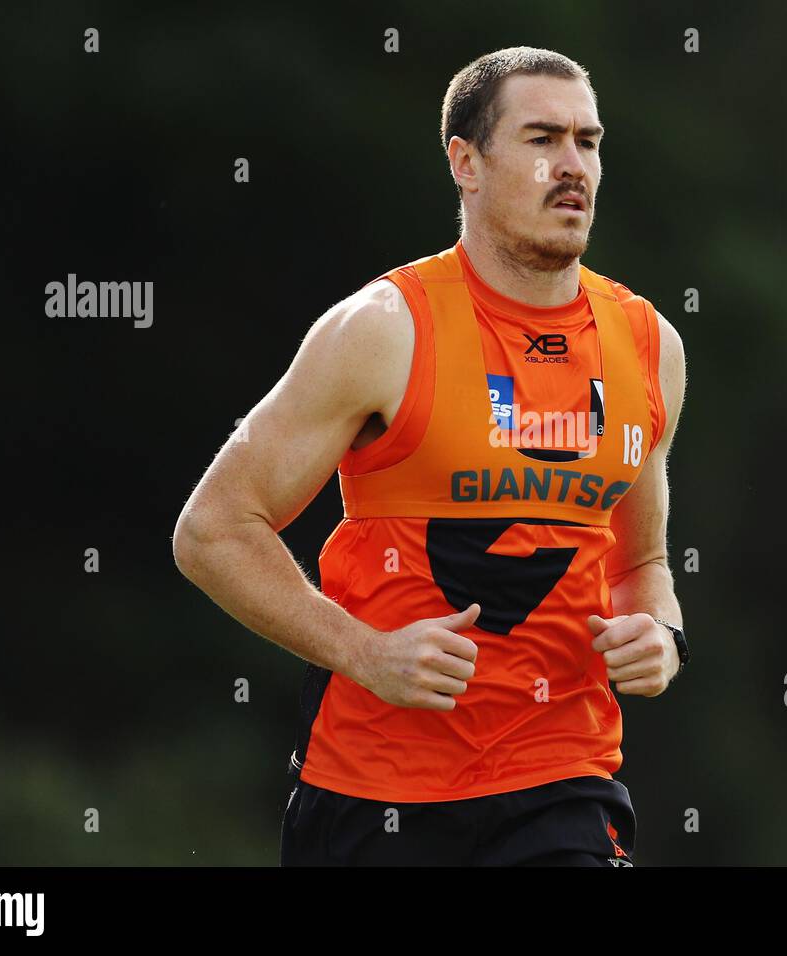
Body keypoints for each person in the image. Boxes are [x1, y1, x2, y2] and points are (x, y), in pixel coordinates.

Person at [172, 46, 688, 866]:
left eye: (587, 142)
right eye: (542, 139)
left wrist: (662, 632)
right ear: (466, 163)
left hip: (562, 781)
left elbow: (643, 560)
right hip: (377, 793)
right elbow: (212, 531)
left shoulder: (647, 344)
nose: (572, 167)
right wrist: (364, 654)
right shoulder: (383, 330)